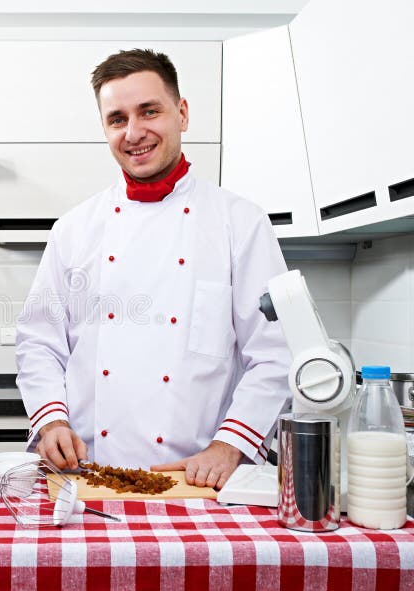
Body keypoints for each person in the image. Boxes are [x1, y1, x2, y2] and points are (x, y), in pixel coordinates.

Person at [16, 49, 291, 490]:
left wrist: (230, 445)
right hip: (90, 476)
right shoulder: (73, 229)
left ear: (181, 114)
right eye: (117, 118)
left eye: (149, 112)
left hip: (199, 478)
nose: (134, 133)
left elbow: (275, 354)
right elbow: (39, 344)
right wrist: (51, 423)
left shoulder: (240, 223)